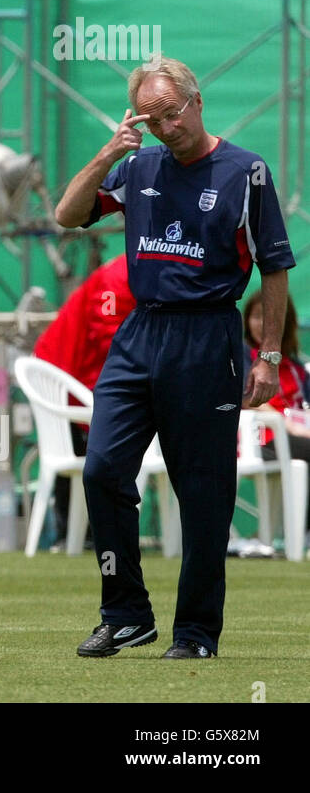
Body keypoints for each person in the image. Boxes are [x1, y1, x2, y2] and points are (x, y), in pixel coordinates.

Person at [54, 55, 295, 660]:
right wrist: (109, 154)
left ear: (198, 101)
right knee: (102, 470)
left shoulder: (246, 172)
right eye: (152, 118)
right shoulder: (140, 166)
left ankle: (194, 633)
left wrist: (267, 355)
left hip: (209, 338)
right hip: (139, 337)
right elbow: (65, 216)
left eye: (174, 112)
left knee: (203, 492)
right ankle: (126, 613)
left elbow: (275, 267)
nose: (166, 127)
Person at [32, 254, 134, 548]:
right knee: (79, 457)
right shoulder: (118, 276)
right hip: (68, 377)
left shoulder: (130, 270)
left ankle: (84, 534)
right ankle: (75, 535)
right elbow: (110, 341)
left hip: (80, 376)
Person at [242, 290, 310, 464]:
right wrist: (291, 426)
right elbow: (246, 398)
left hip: (299, 434)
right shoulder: (242, 355)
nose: (264, 324)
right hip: (262, 439)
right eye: (257, 316)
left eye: (271, 318)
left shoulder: (296, 365)